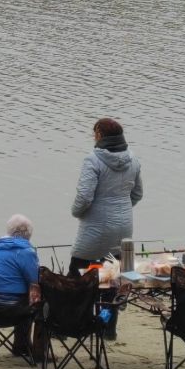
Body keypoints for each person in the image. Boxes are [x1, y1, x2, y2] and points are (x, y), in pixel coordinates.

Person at [70, 116, 142, 276]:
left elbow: (84, 197)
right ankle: (110, 300)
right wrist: (121, 208)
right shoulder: (133, 160)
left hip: (96, 227)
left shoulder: (93, 160)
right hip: (124, 227)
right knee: (113, 275)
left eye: (94, 133)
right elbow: (137, 194)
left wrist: (76, 213)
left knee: (78, 274)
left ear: (100, 135)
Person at [0, 214, 41, 357]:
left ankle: (21, 345)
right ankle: (38, 352)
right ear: (29, 234)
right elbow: (35, 281)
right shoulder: (25, 252)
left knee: (22, 296)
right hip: (8, 310)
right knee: (40, 303)